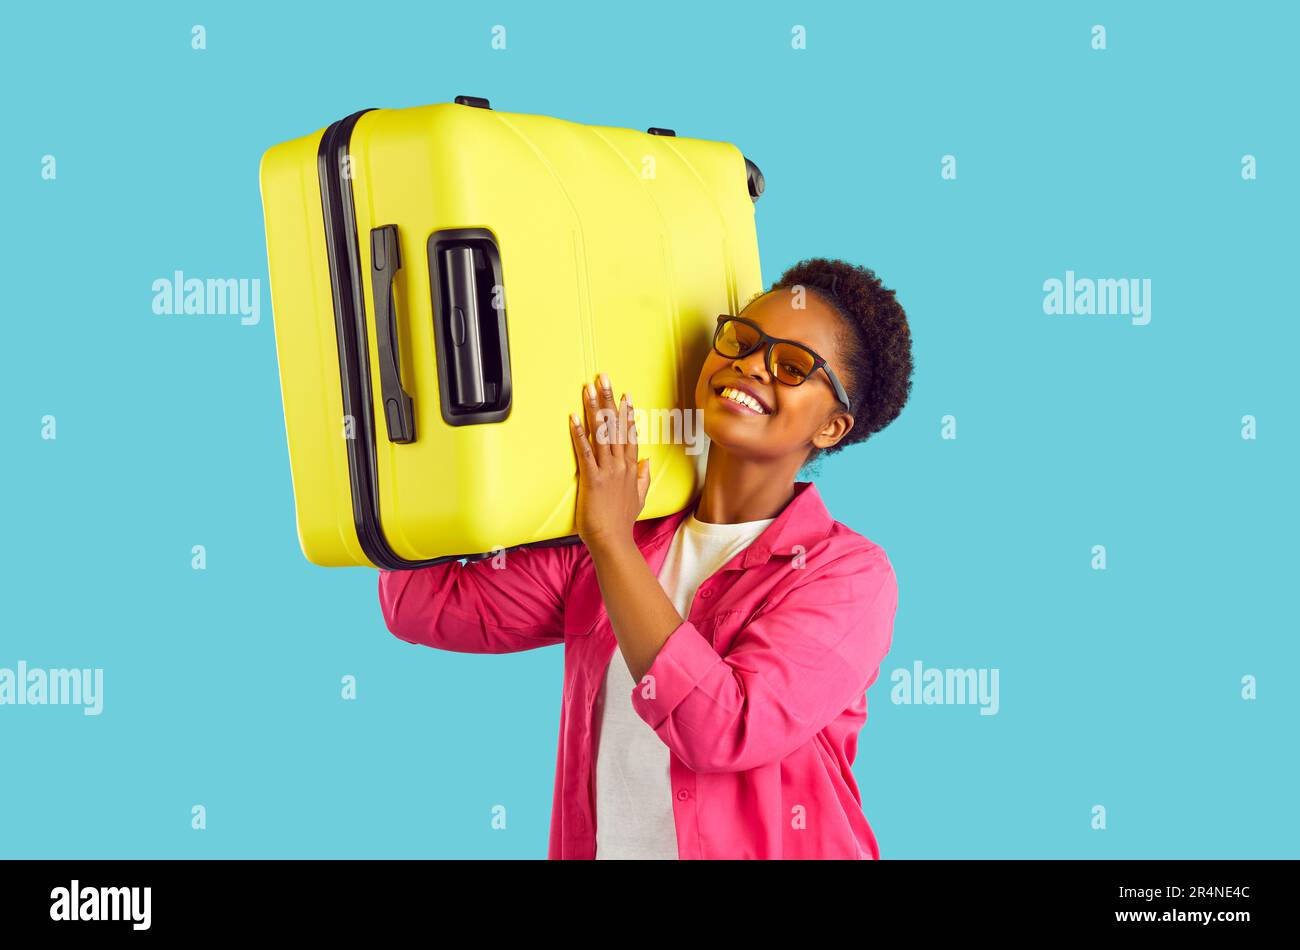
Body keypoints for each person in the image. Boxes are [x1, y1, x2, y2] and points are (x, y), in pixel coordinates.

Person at [378, 257, 915, 859]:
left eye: (792, 366)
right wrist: (429, 398)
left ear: (832, 427)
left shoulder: (847, 577)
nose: (751, 364)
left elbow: (723, 730)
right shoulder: (620, 534)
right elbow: (423, 604)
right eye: (744, 339)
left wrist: (609, 540)